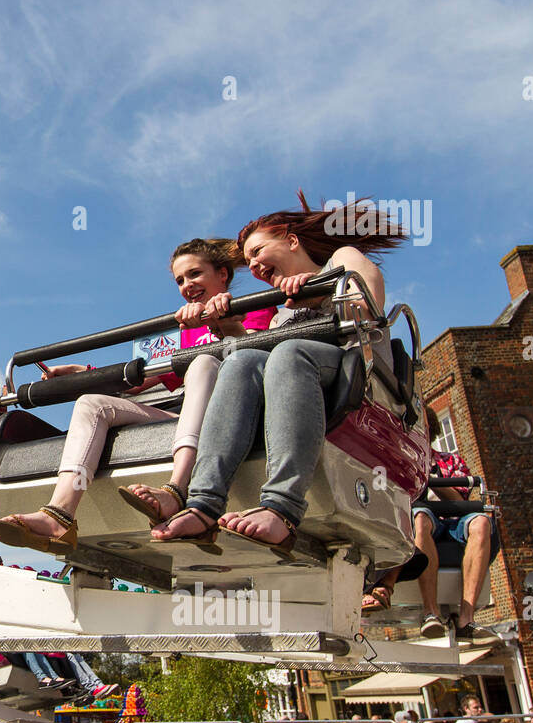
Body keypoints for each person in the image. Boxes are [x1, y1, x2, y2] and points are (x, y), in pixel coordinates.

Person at [151, 192, 407, 557]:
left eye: (257, 252)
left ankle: (281, 508)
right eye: (249, 262)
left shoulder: (341, 260)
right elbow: (258, 359)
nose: (253, 267)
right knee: (240, 361)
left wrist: (318, 293)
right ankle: (204, 504)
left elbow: (368, 306)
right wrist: (225, 325)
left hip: (354, 371)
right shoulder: (280, 311)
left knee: (289, 351)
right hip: (300, 376)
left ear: (290, 240)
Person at [0, 239, 276, 553]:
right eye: (180, 280)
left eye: (195, 274)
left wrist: (227, 325)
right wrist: (81, 373)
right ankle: (60, 514)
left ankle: (177, 490)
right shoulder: (186, 330)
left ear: (222, 274)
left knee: (204, 361)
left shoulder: (257, 306)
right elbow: (140, 382)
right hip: (190, 419)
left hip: (235, 416)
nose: (187, 285)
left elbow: (259, 359)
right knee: (92, 404)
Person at [363, 407, 496, 641]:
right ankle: (431, 612)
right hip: (422, 522)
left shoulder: (449, 461)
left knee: (482, 522)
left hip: (452, 521)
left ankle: (467, 618)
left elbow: (458, 499)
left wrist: (429, 477)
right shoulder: (399, 459)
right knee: (421, 516)